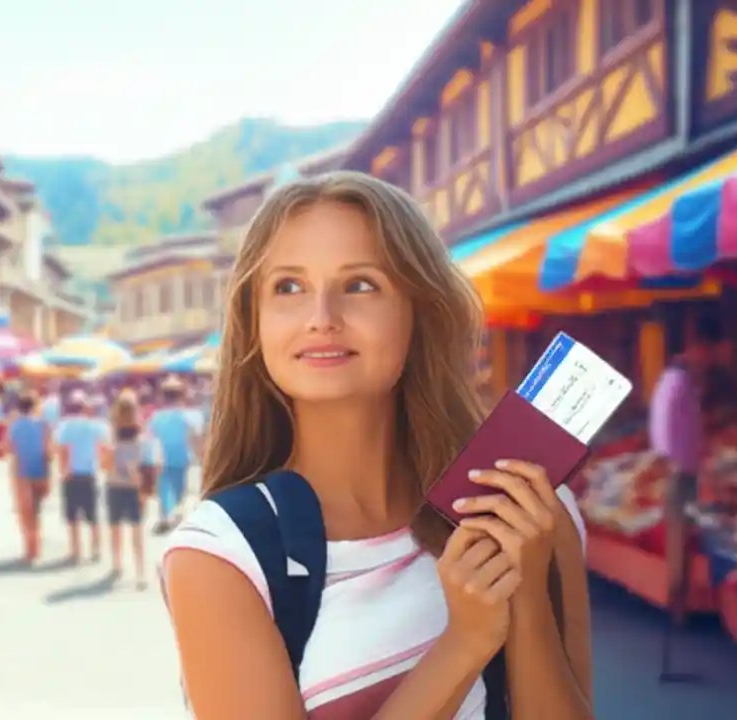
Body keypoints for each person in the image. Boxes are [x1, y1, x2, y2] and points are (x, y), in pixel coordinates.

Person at [162, 172, 593, 719]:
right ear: (254, 322)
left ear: (421, 310)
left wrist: (526, 599)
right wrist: (464, 644)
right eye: (288, 287)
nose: (321, 319)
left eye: (360, 284)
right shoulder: (223, 554)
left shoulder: (533, 513)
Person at [649, 313, 721, 667]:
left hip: (689, 470)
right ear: (696, 348)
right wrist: (670, 459)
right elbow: (662, 423)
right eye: (707, 352)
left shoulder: (690, 382)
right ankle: (675, 605)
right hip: (679, 473)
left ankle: (682, 601)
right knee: (678, 537)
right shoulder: (675, 381)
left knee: (688, 536)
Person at [56, 390, 109, 563]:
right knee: (93, 515)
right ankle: (95, 549)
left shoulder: (65, 426)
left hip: (71, 474)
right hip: (89, 473)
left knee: (73, 517)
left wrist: (63, 471)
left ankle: (76, 551)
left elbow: (63, 451)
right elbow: (103, 447)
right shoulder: (96, 425)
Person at [147, 375, 203, 534]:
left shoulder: (157, 417)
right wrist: (201, 457)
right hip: (184, 458)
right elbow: (196, 438)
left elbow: (151, 438)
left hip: (162, 458)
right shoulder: (191, 415)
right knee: (181, 488)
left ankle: (165, 516)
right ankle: (178, 515)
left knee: (164, 488)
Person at [104, 389, 148, 589]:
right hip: (133, 486)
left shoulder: (112, 436)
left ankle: (118, 564)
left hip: (115, 485)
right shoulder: (140, 437)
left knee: (116, 528)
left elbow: (105, 465)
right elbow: (144, 465)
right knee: (136, 530)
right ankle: (140, 572)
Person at [4, 394, 53, 563]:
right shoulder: (44, 425)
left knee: (25, 512)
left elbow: (8, 447)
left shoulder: (15, 426)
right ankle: (36, 547)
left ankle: (29, 549)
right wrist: (49, 476)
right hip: (40, 469)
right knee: (36, 511)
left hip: (21, 471)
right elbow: (48, 452)